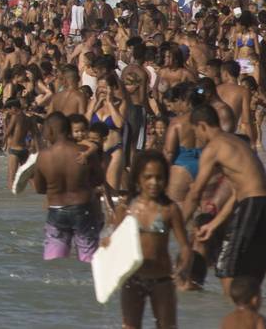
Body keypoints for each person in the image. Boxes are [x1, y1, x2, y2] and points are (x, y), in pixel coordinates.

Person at [185, 105, 266, 295]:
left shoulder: (214, 147)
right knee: (250, 276)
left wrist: (175, 225)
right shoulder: (237, 143)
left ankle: (237, 319)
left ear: (202, 125)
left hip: (253, 206)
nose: (197, 137)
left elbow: (195, 193)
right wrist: (214, 225)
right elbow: (238, 193)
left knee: (226, 269)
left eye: (195, 131)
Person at [107, 151, 191, 329]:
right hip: (132, 279)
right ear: (138, 178)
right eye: (148, 177)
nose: (154, 182)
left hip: (162, 279)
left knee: (167, 326)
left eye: (159, 177)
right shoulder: (125, 208)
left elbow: (185, 246)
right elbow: (115, 243)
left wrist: (183, 267)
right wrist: (106, 244)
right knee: (130, 326)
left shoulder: (170, 209)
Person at [33, 112, 104, 263]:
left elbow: (39, 189)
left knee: (55, 263)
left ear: (51, 130)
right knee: (89, 261)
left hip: (56, 211)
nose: (44, 135)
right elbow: (99, 179)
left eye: (45, 130)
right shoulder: (85, 151)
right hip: (83, 209)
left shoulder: (43, 156)